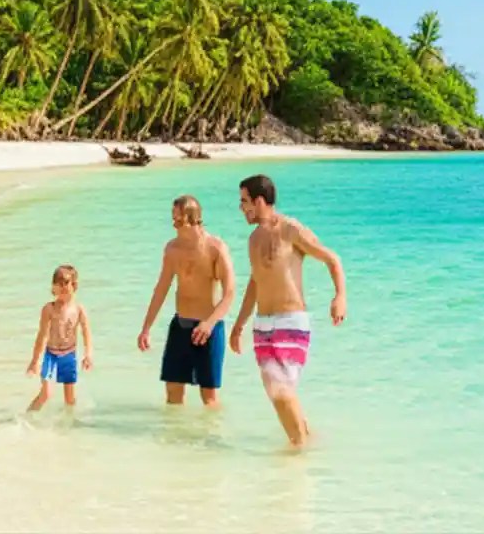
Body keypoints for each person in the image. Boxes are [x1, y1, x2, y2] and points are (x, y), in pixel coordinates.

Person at [229, 174, 346, 448]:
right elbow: (255, 282)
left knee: (280, 392)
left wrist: (340, 296)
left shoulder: (290, 229)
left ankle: (298, 454)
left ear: (259, 201)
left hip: (291, 323)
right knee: (279, 393)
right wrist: (239, 324)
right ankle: (306, 440)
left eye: (244, 201)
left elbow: (332, 259)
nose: (241, 208)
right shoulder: (254, 239)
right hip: (262, 326)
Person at [138, 195, 236, 407]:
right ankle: (174, 439)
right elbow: (161, 289)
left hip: (208, 330)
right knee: (173, 394)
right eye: (173, 217)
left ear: (192, 218)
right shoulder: (172, 249)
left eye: (177, 218)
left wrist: (209, 324)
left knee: (208, 398)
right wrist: (146, 328)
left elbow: (229, 293)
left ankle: (211, 437)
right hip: (180, 326)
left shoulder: (215, 248)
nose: (173, 223)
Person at [25, 265, 93, 411]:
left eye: (66, 283)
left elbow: (86, 333)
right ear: (53, 287)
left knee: (69, 398)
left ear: (74, 285)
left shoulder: (79, 309)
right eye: (58, 283)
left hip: (69, 355)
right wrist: (35, 361)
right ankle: (28, 417)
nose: (62, 287)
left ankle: (69, 426)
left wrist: (88, 355)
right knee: (46, 394)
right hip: (51, 355)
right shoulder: (49, 309)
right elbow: (42, 335)